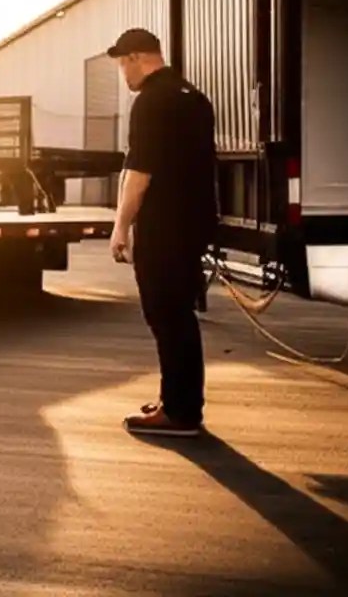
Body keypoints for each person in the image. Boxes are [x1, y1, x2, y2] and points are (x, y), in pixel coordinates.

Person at [105, 28, 218, 438]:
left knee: (166, 317)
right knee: (179, 316)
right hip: (192, 224)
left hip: (164, 227)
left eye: (122, 64)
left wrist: (120, 227)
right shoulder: (193, 97)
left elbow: (139, 173)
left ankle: (182, 412)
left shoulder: (151, 102)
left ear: (137, 58)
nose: (123, 74)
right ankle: (179, 400)